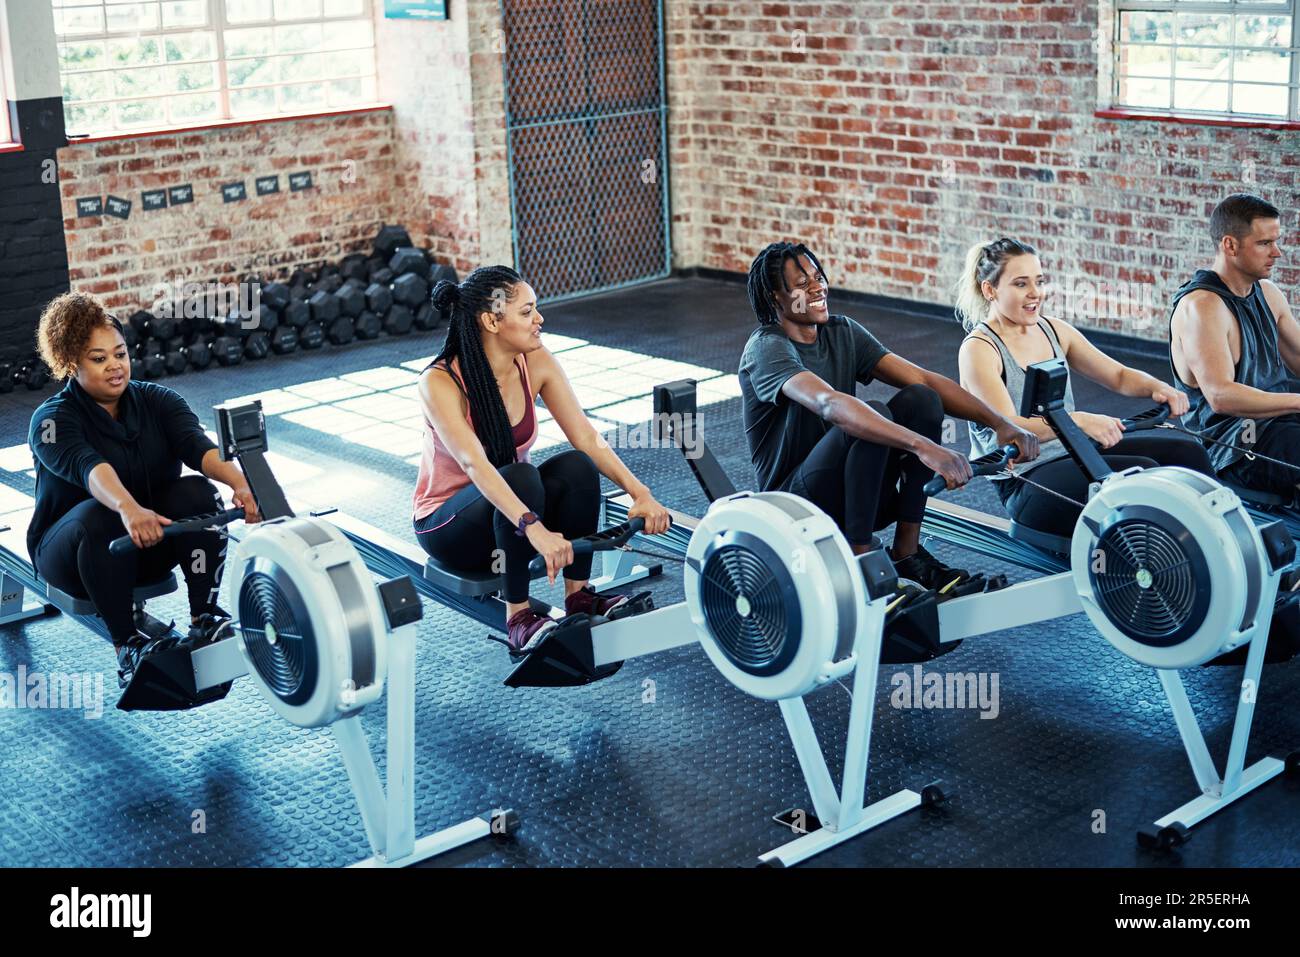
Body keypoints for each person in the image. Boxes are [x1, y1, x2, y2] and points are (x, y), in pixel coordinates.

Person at [739, 241, 1040, 590]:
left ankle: (906, 554)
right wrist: (922, 446)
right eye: (802, 283)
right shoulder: (767, 348)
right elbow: (828, 403)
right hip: (795, 508)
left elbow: (923, 379)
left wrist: (1001, 424)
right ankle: (862, 564)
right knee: (869, 417)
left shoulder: (841, 332)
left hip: (857, 494)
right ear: (775, 296)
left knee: (922, 399)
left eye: (818, 276)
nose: (818, 286)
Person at [413, 265, 671, 654]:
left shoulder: (535, 362)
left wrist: (641, 492)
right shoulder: (439, 382)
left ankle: (579, 596)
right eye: (527, 311)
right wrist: (533, 526)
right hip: (449, 526)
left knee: (575, 467)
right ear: (491, 321)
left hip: (511, 518)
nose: (540, 319)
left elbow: (585, 437)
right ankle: (518, 617)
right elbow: (475, 466)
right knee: (520, 476)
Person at [27, 292, 262, 687]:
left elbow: (199, 447)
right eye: (98, 359)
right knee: (97, 514)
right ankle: (126, 646)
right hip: (74, 559)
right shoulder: (50, 421)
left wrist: (243, 484)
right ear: (70, 363)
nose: (115, 367)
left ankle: (205, 618)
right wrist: (128, 507)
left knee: (198, 494)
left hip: (146, 543)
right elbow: (90, 468)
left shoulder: (158, 401)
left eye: (119, 354)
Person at [957, 238, 1213, 542]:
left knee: (1184, 453)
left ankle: (1219, 544)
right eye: (1020, 284)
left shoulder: (1052, 330)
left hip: (1076, 453)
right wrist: (1076, 421)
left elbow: (1117, 375)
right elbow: (1010, 430)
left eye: (1039, 281)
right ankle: (1169, 561)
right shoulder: (980, 350)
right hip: (1027, 481)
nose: (1035, 293)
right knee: (1142, 476)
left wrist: (1157, 387)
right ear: (990, 290)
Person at [1169, 193, 1300, 498]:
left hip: (1281, 423)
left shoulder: (1266, 293)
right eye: (1264, 243)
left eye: (1275, 241)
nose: (1277, 252)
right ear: (1230, 245)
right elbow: (1220, 396)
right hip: (1236, 446)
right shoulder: (1202, 307)